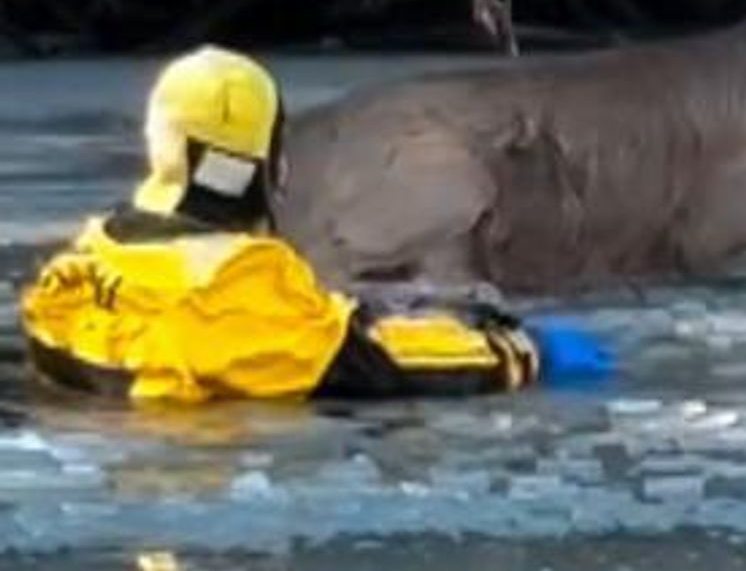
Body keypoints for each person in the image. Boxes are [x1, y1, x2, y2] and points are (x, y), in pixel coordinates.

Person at [19, 45, 610, 404]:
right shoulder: (237, 283)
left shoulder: (98, 253)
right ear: (255, 164)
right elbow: (367, 367)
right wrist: (516, 350)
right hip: (208, 479)